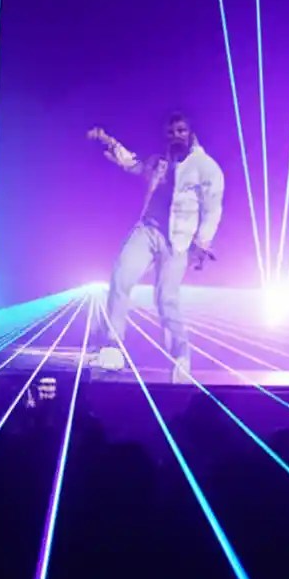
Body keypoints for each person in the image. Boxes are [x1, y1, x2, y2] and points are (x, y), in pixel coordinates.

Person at [87, 112, 224, 382]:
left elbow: (212, 209)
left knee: (166, 299)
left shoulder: (206, 167)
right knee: (121, 276)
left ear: (190, 133)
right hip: (148, 230)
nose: (176, 136)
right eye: (171, 132)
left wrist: (202, 243)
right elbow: (133, 163)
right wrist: (108, 141)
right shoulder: (160, 162)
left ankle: (181, 356)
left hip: (178, 241)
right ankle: (113, 347)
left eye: (181, 131)